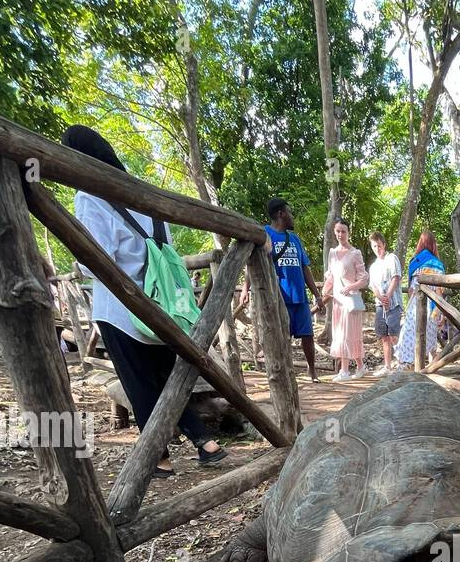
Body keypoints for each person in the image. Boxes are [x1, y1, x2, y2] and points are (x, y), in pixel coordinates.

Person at [63, 125, 226, 479]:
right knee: (170, 379)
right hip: (160, 309)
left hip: (121, 309)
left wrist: (77, 265)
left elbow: (97, 257)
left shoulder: (90, 195)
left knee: (138, 384)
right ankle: (204, 442)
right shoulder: (142, 197)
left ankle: (160, 456)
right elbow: (164, 249)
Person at [239, 197, 323, 381]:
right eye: (289, 212)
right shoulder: (264, 234)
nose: (292, 216)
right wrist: (245, 289)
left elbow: (305, 267)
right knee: (281, 336)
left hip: (299, 296)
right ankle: (285, 371)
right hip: (278, 297)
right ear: (280, 214)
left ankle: (312, 370)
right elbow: (251, 264)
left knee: (307, 334)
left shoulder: (294, 239)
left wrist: (317, 295)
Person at [320, 218, 368, 380]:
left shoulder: (355, 253)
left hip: (350, 300)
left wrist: (349, 287)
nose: (340, 234)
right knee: (340, 333)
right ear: (334, 232)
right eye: (338, 231)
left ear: (348, 233)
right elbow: (331, 277)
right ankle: (361, 367)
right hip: (337, 301)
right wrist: (324, 293)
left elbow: (363, 279)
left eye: (343, 231)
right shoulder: (332, 253)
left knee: (349, 334)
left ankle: (345, 371)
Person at [397, 229, 445, 368]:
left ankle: (407, 365)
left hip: (415, 305)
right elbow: (439, 291)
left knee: (408, 336)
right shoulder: (437, 264)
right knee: (431, 340)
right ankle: (431, 370)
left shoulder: (415, 262)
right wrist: (441, 312)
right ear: (433, 245)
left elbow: (411, 290)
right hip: (433, 306)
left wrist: (407, 308)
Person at [368, 231, 402, 373]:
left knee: (394, 334)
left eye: (379, 246)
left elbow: (396, 277)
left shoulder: (392, 258)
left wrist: (387, 296)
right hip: (380, 304)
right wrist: (380, 297)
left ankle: (401, 363)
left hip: (393, 303)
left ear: (384, 245)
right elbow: (373, 285)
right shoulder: (373, 266)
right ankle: (387, 366)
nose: (377, 249)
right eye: (374, 246)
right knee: (384, 336)